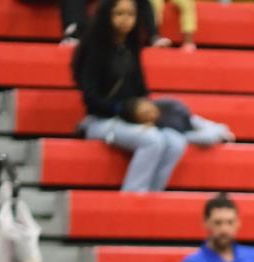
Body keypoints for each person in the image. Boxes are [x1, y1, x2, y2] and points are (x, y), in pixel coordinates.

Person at [73, 0, 187, 192]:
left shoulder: (132, 46)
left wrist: (145, 111)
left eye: (130, 14)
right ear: (107, 15)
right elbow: (90, 98)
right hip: (101, 120)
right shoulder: (94, 46)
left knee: (176, 142)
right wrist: (123, 110)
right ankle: (133, 198)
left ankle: (151, 199)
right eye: (119, 14)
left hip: (130, 119)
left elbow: (140, 90)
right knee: (153, 140)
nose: (125, 20)